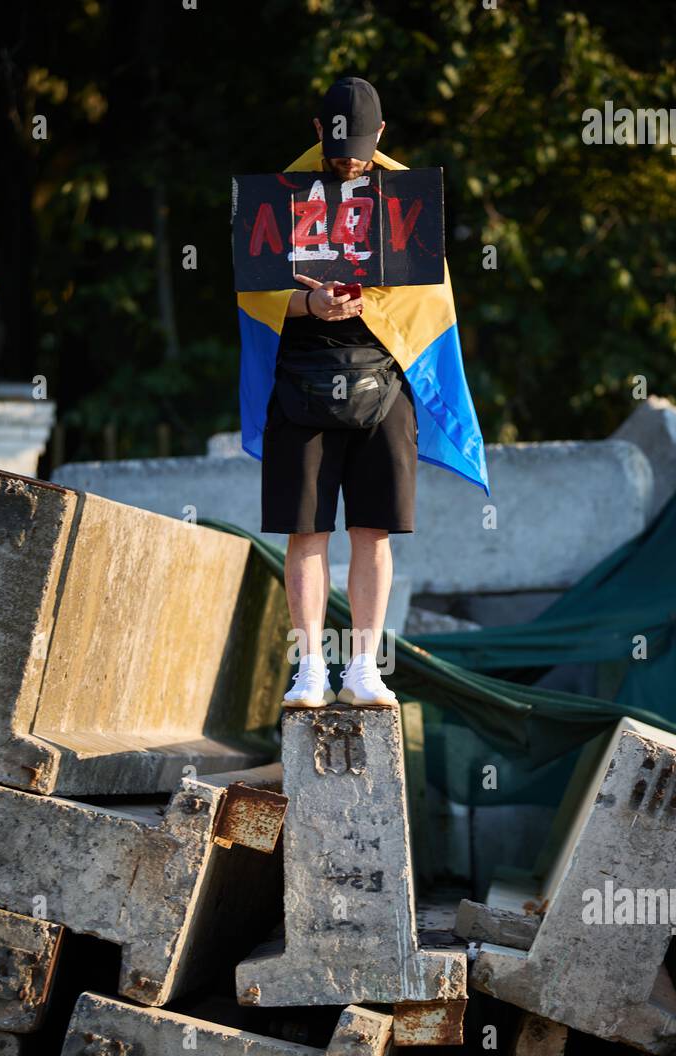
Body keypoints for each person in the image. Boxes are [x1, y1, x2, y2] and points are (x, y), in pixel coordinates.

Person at [236, 76, 488, 709]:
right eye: (336, 144)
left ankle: (366, 669)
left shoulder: (406, 197)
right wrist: (308, 301)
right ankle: (311, 670)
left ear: (381, 134)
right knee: (305, 533)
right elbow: (252, 289)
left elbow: (427, 299)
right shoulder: (277, 196)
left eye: (360, 145)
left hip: (384, 379)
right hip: (301, 378)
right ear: (318, 131)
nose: (347, 158)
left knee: (372, 532)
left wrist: (366, 303)